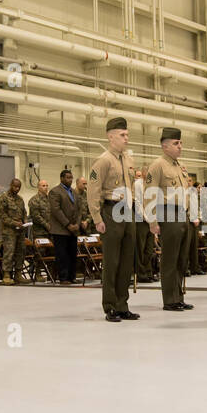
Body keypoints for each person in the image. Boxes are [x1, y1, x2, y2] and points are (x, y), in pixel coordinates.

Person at [87, 117, 138, 321]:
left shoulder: (128, 159)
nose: (126, 138)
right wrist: (97, 218)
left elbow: (132, 187)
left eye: (127, 134)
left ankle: (122, 304)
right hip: (111, 210)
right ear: (110, 137)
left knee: (126, 261)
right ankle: (110, 306)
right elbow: (93, 191)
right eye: (122, 135)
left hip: (127, 211)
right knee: (112, 262)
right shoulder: (103, 161)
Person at [145, 127, 196, 311]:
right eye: (176, 143)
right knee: (170, 259)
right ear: (165, 146)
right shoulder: (157, 165)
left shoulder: (180, 166)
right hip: (167, 213)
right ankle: (170, 299)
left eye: (181, 142)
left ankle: (178, 296)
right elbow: (149, 194)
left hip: (182, 214)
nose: (180, 146)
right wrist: (152, 221)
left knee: (182, 258)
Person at [47, 170, 80, 284]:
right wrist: (67, 224)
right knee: (62, 255)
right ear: (61, 178)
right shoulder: (55, 192)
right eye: (67, 178)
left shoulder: (74, 192)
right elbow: (56, 211)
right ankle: (63, 277)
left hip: (73, 230)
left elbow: (80, 210)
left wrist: (77, 224)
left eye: (71, 178)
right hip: (60, 230)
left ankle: (72, 276)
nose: (70, 180)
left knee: (72, 254)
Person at [0, 178, 27, 285]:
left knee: (20, 252)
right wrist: (14, 223)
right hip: (9, 231)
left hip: (20, 231)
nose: (17, 189)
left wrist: (24, 222)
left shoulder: (20, 199)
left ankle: (18, 274)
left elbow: (24, 213)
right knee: (9, 252)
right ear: (11, 185)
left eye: (19, 187)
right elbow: (2, 216)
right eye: (15, 186)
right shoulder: (3, 198)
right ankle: (7, 275)